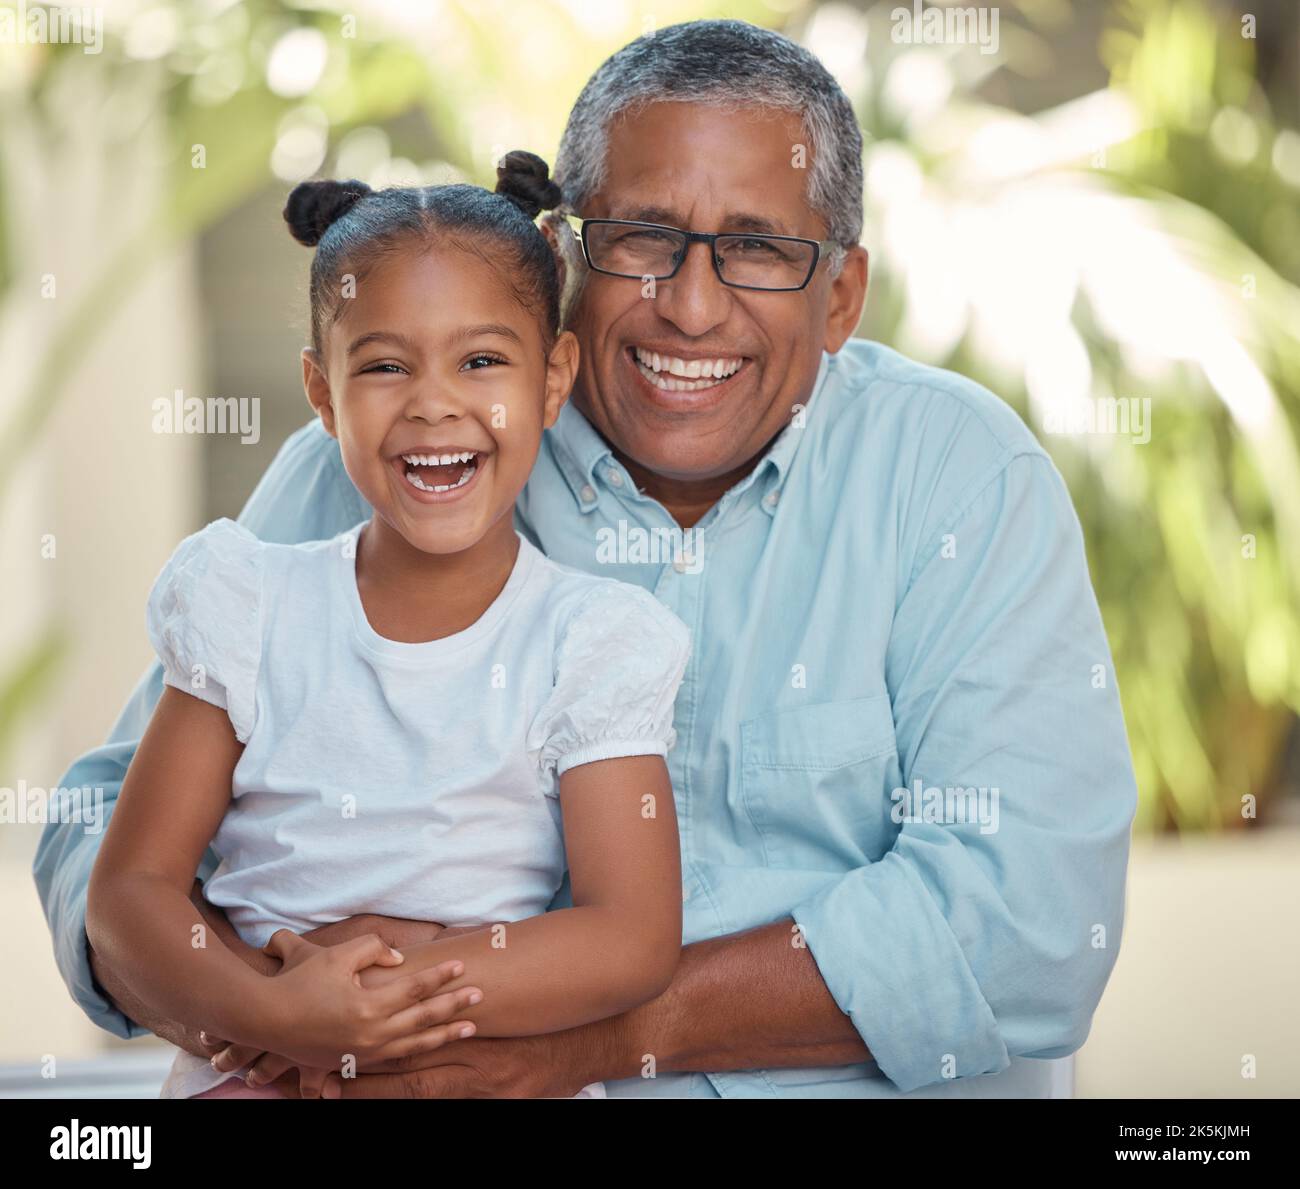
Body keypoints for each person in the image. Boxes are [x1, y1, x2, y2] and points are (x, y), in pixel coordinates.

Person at [37, 19, 1137, 1099]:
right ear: (564, 255)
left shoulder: (959, 477)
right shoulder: (399, 460)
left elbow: (1030, 920)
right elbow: (101, 838)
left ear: (840, 294)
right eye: (643, 237)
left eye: (755, 247)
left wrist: (596, 1039)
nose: (692, 308)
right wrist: (282, 999)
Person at [82, 155, 690, 1098]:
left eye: (482, 360)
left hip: (469, 1074)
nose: (433, 402)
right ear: (323, 395)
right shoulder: (251, 606)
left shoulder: (589, 641)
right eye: (383, 366)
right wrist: (277, 1013)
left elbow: (631, 933)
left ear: (552, 380)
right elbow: (129, 895)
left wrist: (385, 1000)